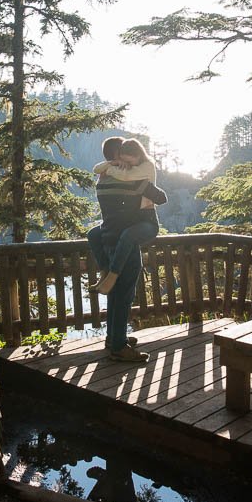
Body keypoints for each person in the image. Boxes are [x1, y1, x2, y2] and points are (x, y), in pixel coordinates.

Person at [87, 137, 163, 363]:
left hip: (108, 238)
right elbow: (159, 197)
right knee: (123, 294)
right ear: (118, 156)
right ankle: (119, 347)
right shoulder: (132, 179)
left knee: (115, 291)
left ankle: (114, 337)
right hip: (125, 239)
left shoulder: (101, 180)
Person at [89, 138, 162, 295]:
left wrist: (109, 169)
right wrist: (113, 163)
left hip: (147, 220)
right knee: (93, 234)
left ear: (138, 155)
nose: (130, 165)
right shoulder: (129, 167)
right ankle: (104, 273)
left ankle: (112, 277)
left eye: (130, 161)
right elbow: (96, 168)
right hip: (135, 219)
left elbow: (127, 177)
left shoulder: (146, 166)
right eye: (124, 160)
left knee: (127, 235)